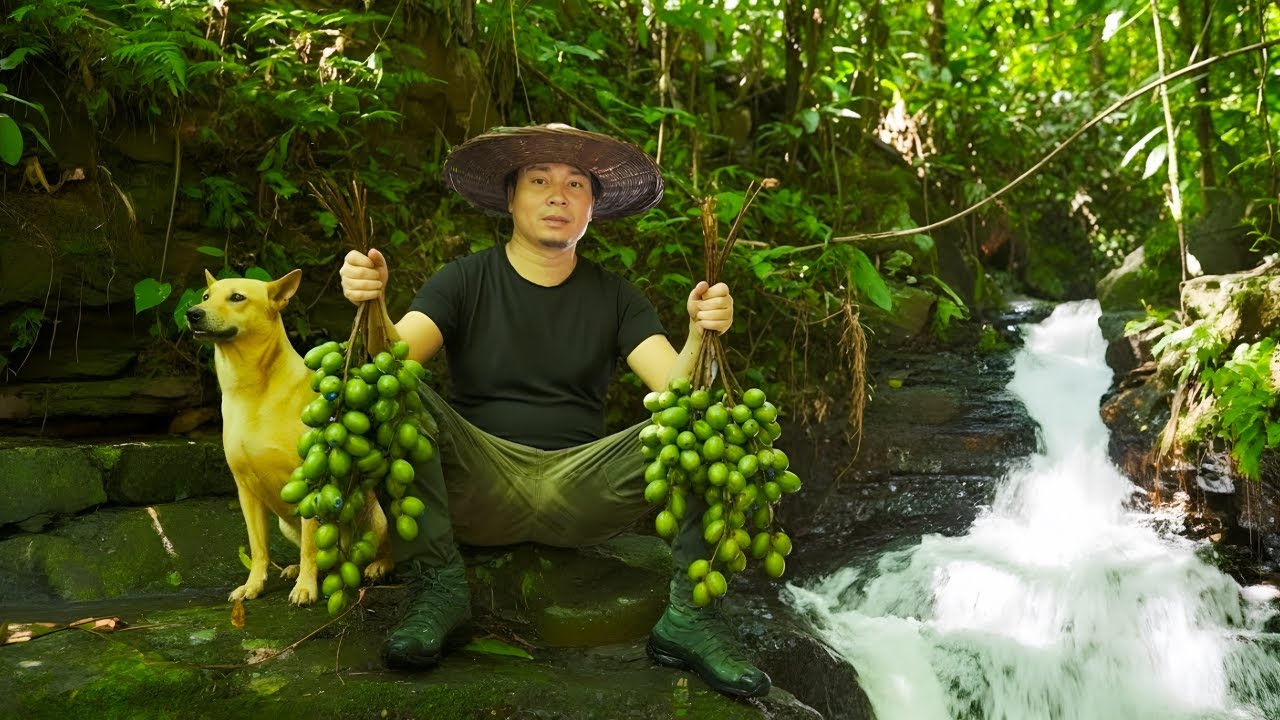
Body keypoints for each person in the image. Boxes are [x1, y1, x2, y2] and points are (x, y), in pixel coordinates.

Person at [339, 123, 770, 698]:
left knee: (715, 419)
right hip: (479, 483)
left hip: (584, 487)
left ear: (593, 207)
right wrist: (371, 303)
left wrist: (700, 332)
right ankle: (437, 590)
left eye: (575, 185)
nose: (556, 195)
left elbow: (679, 391)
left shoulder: (616, 295)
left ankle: (691, 617)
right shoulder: (464, 279)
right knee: (392, 393)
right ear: (511, 198)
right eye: (539, 180)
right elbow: (390, 362)